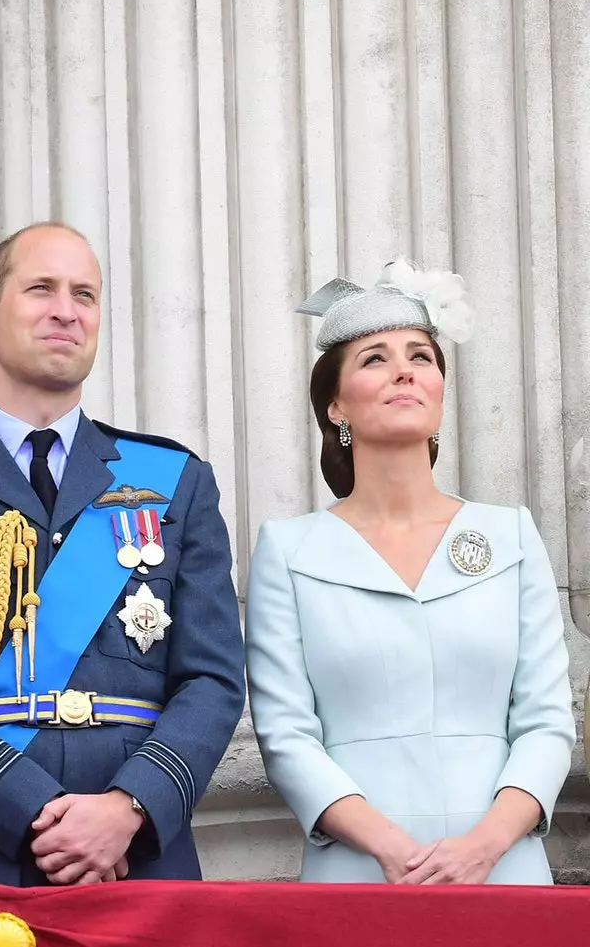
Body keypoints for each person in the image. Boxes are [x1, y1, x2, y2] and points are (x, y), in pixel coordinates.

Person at [0, 223, 245, 885]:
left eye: (84, 294)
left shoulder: (176, 480)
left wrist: (127, 807)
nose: (66, 309)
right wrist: (37, 808)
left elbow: (212, 680)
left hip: (136, 856)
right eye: (42, 289)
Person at [246, 260, 574, 884]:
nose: (404, 369)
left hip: (503, 871)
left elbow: (546, 721)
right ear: (336, 406)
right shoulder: (289, 551)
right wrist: (392, 849)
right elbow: (286, 734)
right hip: (359, 872)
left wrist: (483, 845)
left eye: (421, 355)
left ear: (440, 391)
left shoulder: (511, 536)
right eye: (374, 358)